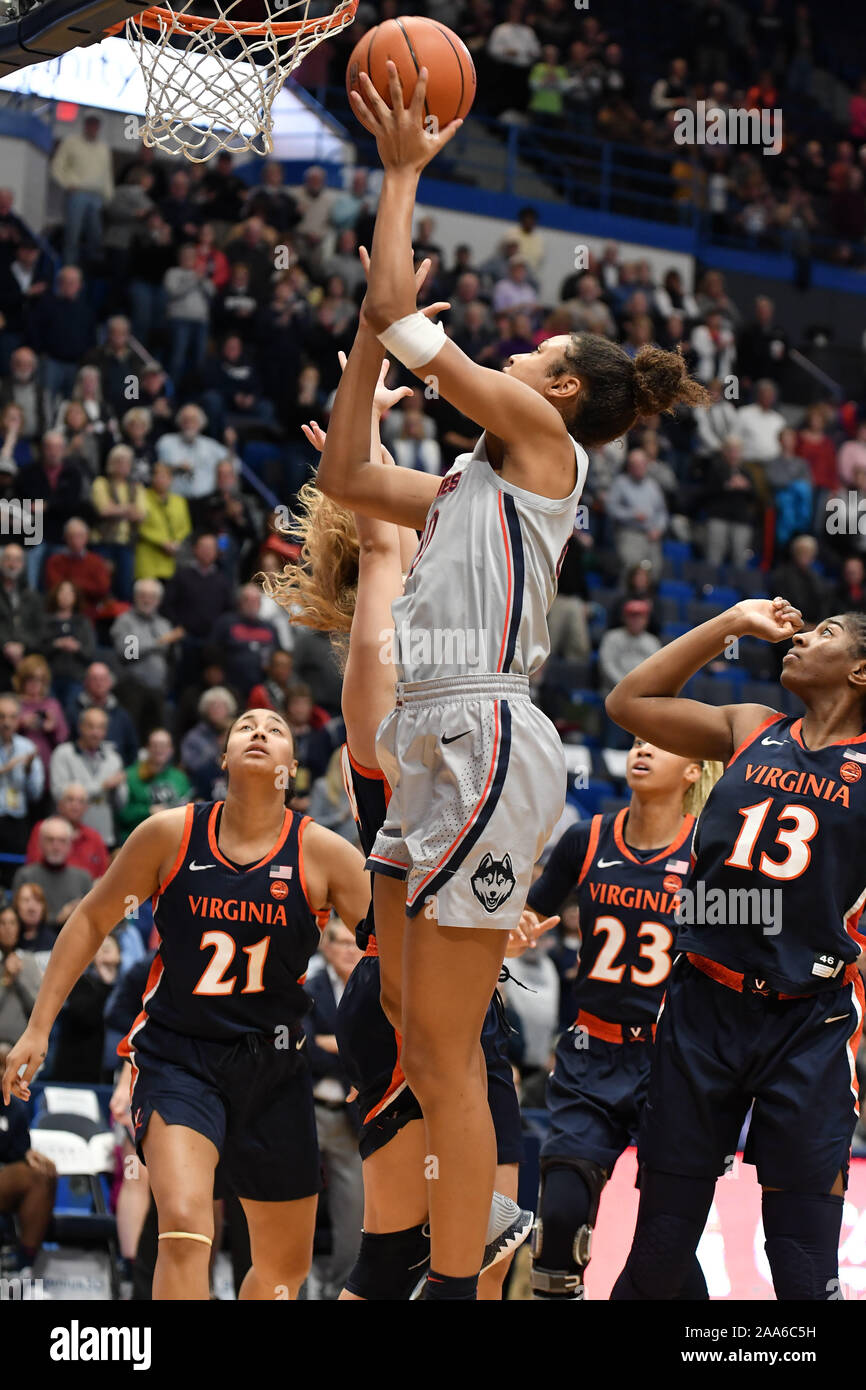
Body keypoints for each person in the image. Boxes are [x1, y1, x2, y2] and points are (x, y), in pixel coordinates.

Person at [327, 64, 708, 1297]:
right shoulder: (460, 487)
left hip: (490, 737)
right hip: (432, 736)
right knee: (399, 1006)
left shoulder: (543, 447)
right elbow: (343, 478)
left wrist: (399, 176)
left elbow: (397, 302)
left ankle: (461, 1270)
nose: (509, 353)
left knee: (443, 1043)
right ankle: (469, 1246)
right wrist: (362, 374)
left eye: (530, 349)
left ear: (555, 392)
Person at [269, 388, 533, 1301]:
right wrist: (371, 407)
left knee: (448, 1256)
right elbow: (384, 539)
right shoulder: (386, 689)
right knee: (442, 1260)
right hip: (403, 996)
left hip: (443, 991)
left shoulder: (457, 694)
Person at [3, 707, 371, 1301]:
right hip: (179, 1057)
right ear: (222, 757)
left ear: (292, 769)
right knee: (184, 1229)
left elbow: (391, 959)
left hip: (275, 1066)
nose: (259, 732)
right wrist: (37, 1027)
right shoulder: (168, 835)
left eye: (276, 730)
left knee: (283, 1270)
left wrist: (381, 1057)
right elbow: (92, 918)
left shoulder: (324, 854)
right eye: (245, 726)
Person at [605, 596, 866, 1301]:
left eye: (827, 634)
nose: (805, 637)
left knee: (803, 1271)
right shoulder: (749, 727)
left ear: (862, 672)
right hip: (701, 1008)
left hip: (808, 1023)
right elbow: (630, 699)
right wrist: (729, 625)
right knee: (658, 1255)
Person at [520, 741, 723, 1298]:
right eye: (633, 742)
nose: (640, 750)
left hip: (670, 1061)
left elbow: (747, 940)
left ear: (691, 772)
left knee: (666, 1245)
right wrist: (509, 935)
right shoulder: (586, 839)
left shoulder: (708, 854)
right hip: (589, 1051)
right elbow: (528, 919)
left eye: (658, 745)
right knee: (559, 1214)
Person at [302, 915, 365, 1300]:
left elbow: (375, 1051)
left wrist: (334, 1045)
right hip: (305, 1108)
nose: (348, 950)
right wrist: (343, 1051)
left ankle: (342, 1290)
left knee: (355, 1211)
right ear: (325, 946)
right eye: (340, 942)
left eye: (354, 943)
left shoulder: (373, 990)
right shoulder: (309, 986)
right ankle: (295, 1288)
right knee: (296, 1204)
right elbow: (301, 1049)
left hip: (351, 1115)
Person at [0, 1040, 57, 1280]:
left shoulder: (14, 1108)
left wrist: (30, 1156)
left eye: (8, 1067)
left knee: (43, 1175)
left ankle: (24, 1265)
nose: (4, 1073)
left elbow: (17, 1154)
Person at [50, 706, 128, 849]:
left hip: (104, 836)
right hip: (68, 835)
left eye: (101, 727)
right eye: (90, 726)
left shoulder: (113, 759)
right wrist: (102, 786)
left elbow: (121, 804)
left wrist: (119, 788)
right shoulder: (63, 753)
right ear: (80, 727)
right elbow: (59, 794)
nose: (95, 733)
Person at [11, 817, 93, 932]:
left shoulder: (83, 878)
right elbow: (16, 919)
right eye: (50, 840)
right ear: (40, 843)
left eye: (62, 840)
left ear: (70, 845)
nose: (56, 846)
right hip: (34, 944)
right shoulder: (25, 875)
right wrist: (59, 918)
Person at [117, 729, 192, 842]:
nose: (159, 749)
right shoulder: (131, 776)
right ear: (147, 748)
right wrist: (148, 811)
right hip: (139, 841)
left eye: (163, 745)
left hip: (172, 840)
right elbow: (122, 814)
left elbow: (189, 808)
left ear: (171, 750)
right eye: (154, 745)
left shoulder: (179, 777)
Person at [0, 693, 44, 884]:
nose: (6, 722)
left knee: (14, 876)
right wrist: (5, 770)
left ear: (19, 719)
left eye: (11, 717)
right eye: (1, 716)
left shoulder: (27, 748)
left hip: (17, 823)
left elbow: (36, 793)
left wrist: (27, 771)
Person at [25, 782, 109, 881]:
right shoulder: (44, 829)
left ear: (86, 808)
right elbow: (33, 866)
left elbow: (103, 876)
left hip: (87, 893)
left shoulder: (94, 837)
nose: (75, 805)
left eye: (81, 801)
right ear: (59, 804)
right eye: (70, 799)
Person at [0, 906, 43, 1046]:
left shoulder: (28, 961)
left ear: (19, 928)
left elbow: (37, 1009)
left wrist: (17, 979)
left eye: (13, 923)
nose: (8, 928)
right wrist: (5, 978)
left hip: (21, 1046)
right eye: (3, 923)